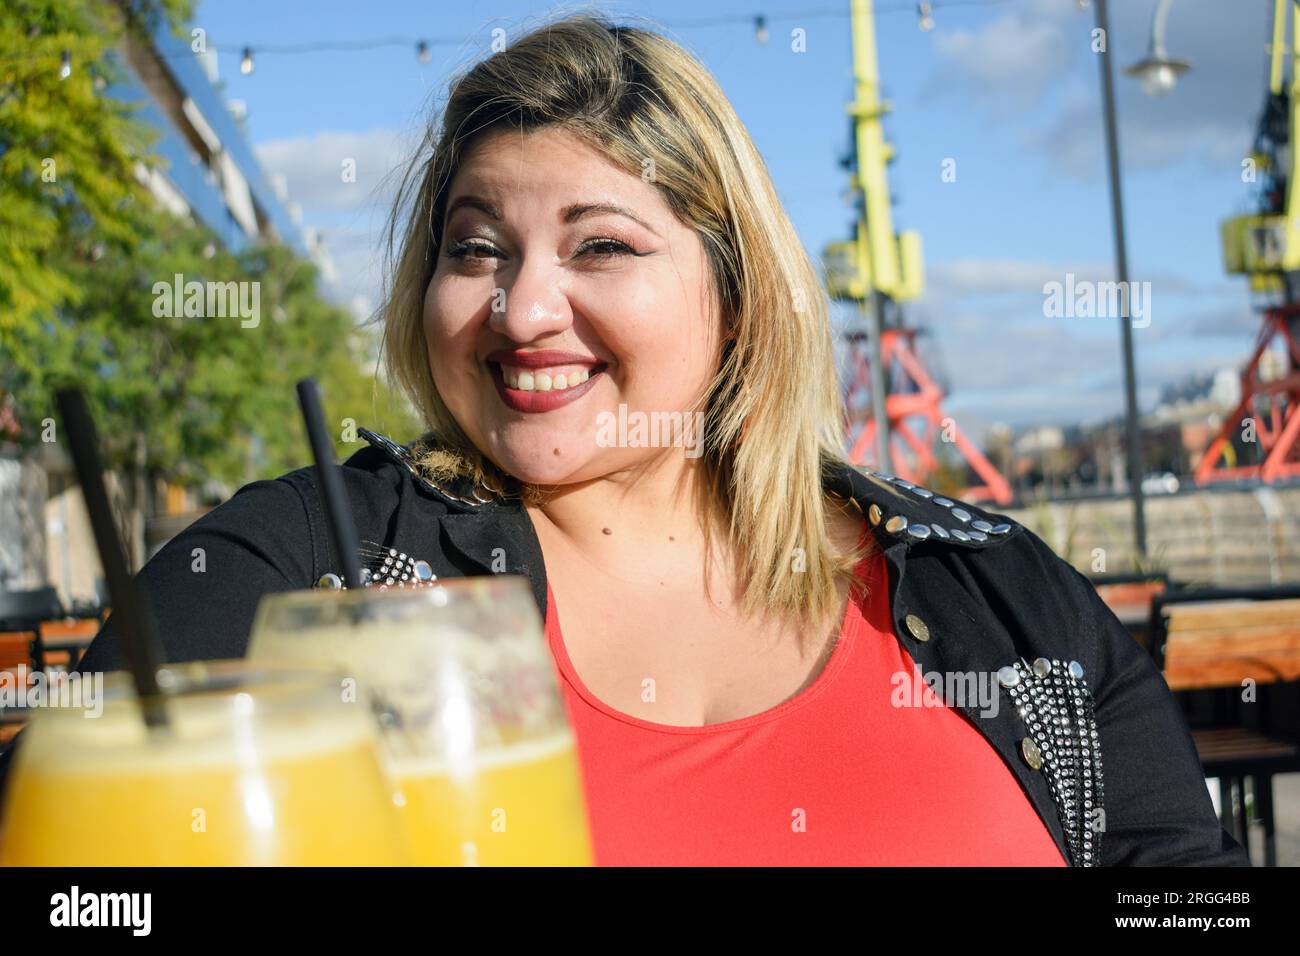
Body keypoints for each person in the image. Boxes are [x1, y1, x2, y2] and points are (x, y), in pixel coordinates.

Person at [1, 14, 1246, 866]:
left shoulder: (995, 588)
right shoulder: (307, 569)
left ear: (736, 294)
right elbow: (73, 824)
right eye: (474, 245)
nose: (523, 305)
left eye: (600, 245)